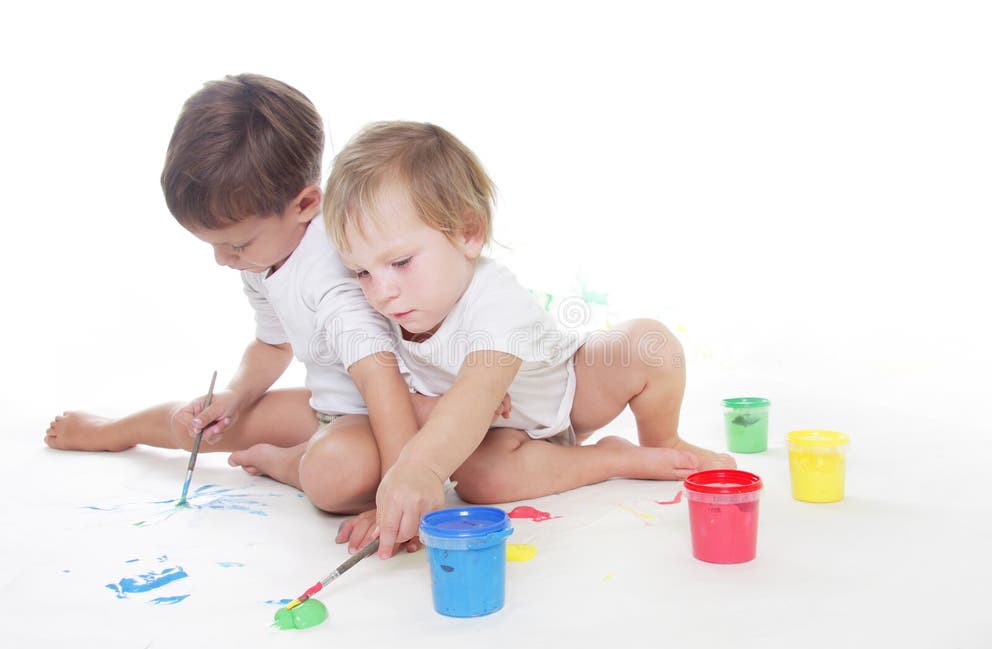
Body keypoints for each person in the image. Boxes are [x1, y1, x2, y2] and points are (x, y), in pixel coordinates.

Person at [323, 121, 736, 558]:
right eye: (362, 272)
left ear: (468, 233)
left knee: (647, 343)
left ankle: (662, 439)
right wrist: (423, 441)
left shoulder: (496, 300)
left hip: (570, 393)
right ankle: (613, 459)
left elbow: (479, 388)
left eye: (400, 262)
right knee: (482, 481)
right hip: (499, 434)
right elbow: (408, 401)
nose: (381, 290)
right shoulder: (382, 311)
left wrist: (419, 466)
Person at [44, 75, 424, 532]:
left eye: (237, 245)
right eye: (214, 245)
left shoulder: (333, 271)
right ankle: (113, 431)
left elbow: (381, 379)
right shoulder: (267, 255)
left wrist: (400, 490)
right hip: (333, 407)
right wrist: (234, 396)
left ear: (305, 204)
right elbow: (271, 346)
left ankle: (289, 465)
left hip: (405, 410)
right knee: (200, 424)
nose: (224, 260)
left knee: (336, 475)